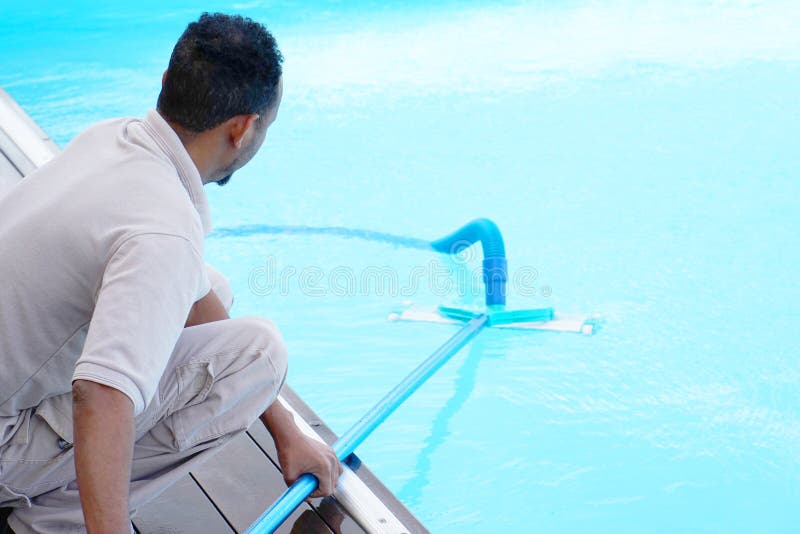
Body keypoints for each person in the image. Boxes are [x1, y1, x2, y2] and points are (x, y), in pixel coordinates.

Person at [0, 13, 342, 533]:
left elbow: (193, 297)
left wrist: (286, 429)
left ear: (167, 83)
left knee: (209, 287)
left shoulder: (111, 139)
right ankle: (51, 524)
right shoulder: (163, 230)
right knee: (258, 353)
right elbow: (102, 396)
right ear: (243, 129)